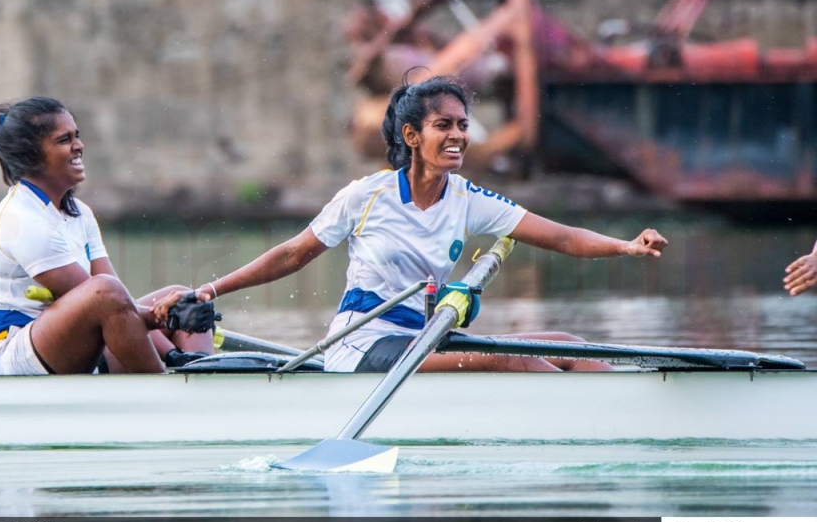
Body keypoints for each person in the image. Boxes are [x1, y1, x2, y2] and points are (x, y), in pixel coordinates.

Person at [154, 76, 669, 373]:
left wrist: (626, 247)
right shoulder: (367, 195)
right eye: (444, 125)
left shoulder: (468, 199)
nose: (459, 136)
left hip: (425, 342)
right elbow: (292, 254)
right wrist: (213, 289)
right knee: (513, 362)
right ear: (412, 135)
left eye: (464, 125)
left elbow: (559, 236)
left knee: (568, 346)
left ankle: (626, 416)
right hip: (360, 346)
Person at [0, 97, 213, 376]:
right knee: (111, 293)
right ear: (30, 155)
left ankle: (199, 373)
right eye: (64, 140)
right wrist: (172, 320)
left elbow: (123, 305)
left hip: (56, 344)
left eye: (77, 136)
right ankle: (167, 390)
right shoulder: (22, 220)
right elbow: (106, 299)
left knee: (181, 297)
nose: (79, 146)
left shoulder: (80, 214)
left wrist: (177, 347)